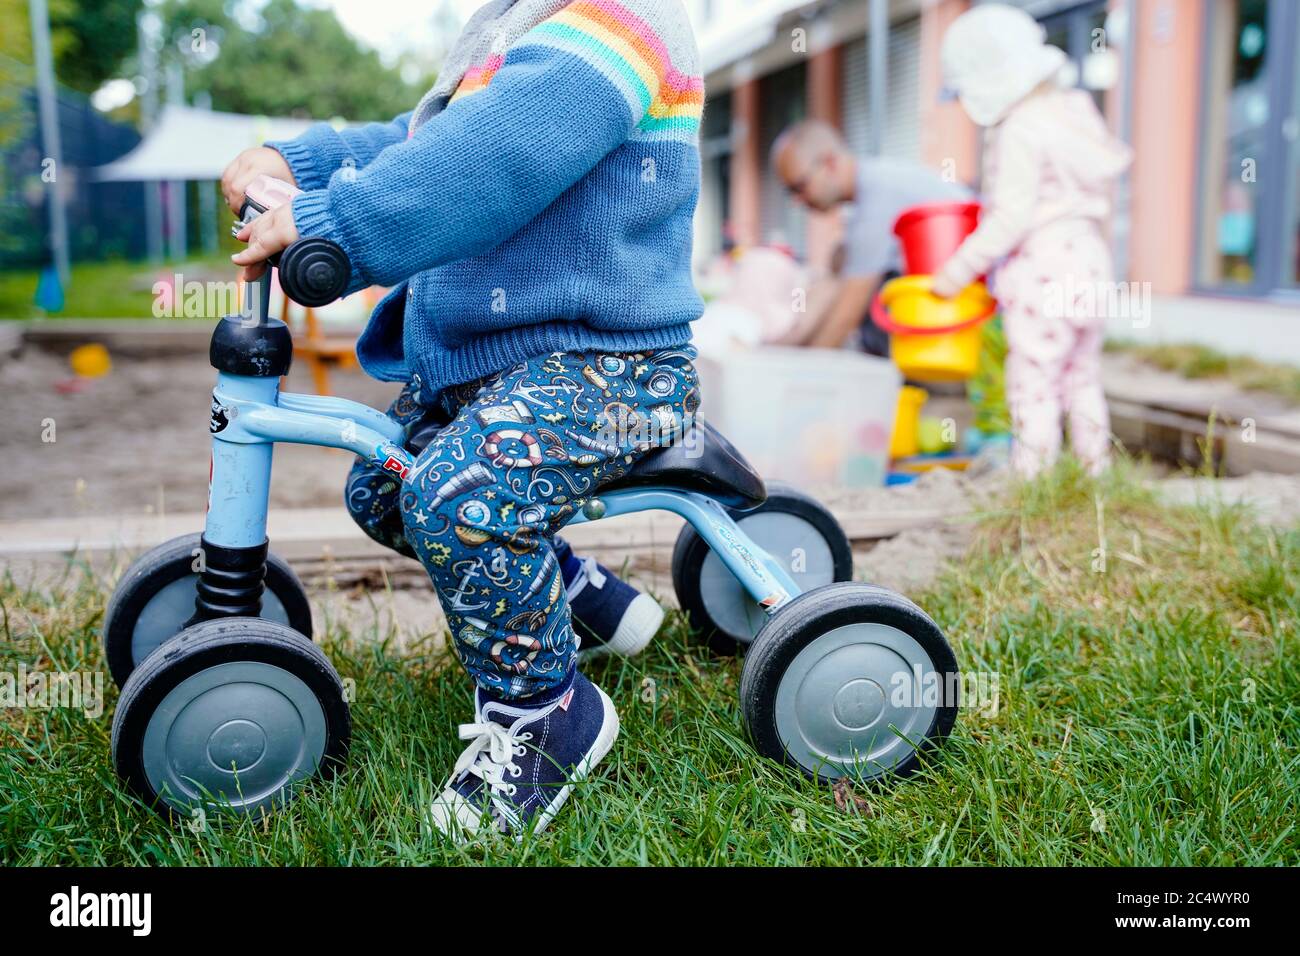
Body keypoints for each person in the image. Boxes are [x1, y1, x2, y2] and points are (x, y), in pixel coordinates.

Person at [218, 0, 704, 841]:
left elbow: (494, 157)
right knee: (382, 487)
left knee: (456, 495)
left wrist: (340, 224)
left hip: (616, 369)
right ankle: (576, 595)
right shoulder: (510, 25)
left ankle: (545, 712)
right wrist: (302, 159)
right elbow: (426, 142)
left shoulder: (621, 21)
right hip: (501, 373)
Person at [931, 4, 1132, 477]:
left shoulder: (1019, 127)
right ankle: (1093, 476)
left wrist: (955, 273)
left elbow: (1011, 218)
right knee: (1082, 378)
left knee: (1033, 384)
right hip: (1090, 263)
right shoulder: (1076, 112)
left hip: (1042, 269)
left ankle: (1033, 484)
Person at [770, 120, 970, 351]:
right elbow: (830, 285)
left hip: (963, 315)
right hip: (952, 305)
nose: (797, 201)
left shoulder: (877, 197)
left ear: (830, 163)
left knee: (875, 309)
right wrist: (785, 346)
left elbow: (846, 316)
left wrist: (800, 375)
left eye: (799, 186)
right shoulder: (871, 190)